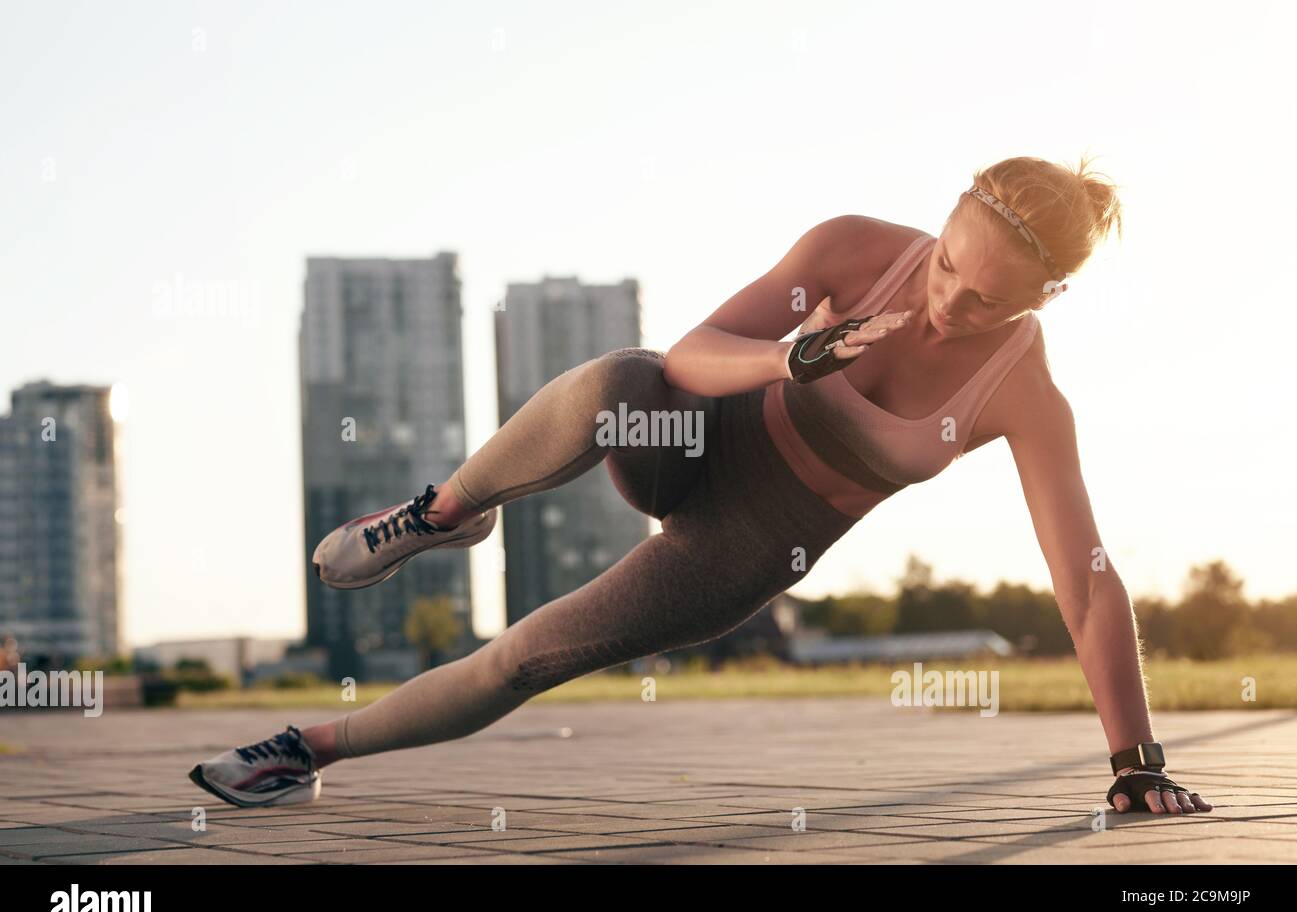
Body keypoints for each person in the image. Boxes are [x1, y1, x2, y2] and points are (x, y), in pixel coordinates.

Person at [189, 155, 1211, 817]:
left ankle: (302, 750)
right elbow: (693, 352)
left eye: (986, 301)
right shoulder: (853, 250)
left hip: (743, 547)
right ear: (939, 224)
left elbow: (1083, 582)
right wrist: (789, 362)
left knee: (523, 660)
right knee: (620, 379)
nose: (946, 303)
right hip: (689, 432)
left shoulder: (1022, 394)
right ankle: (447, 511)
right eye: (945, 266)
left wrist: (1135, 759)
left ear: (1047, 301)